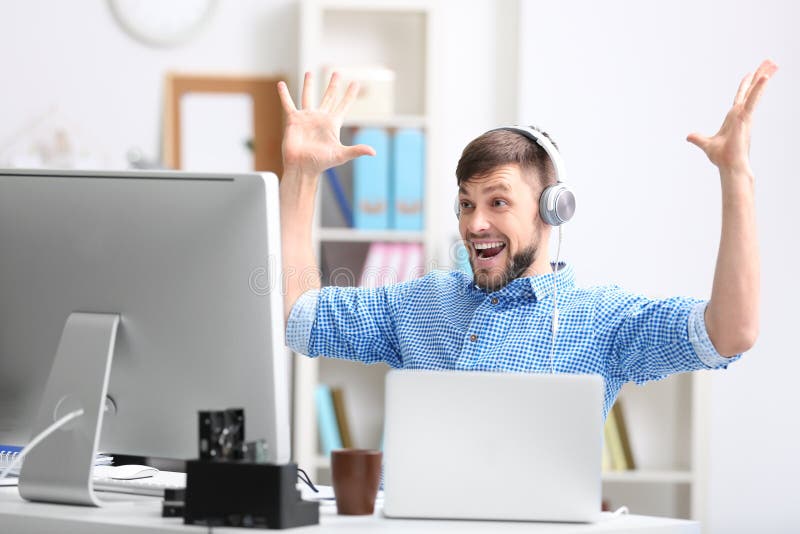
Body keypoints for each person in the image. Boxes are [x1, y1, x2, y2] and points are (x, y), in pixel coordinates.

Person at [277, 61, 777, 415]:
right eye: (466, 204)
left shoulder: (603, 320)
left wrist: (736, 176)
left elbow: (730, 333)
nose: (475, 224)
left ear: (550, 210)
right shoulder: (420, 303)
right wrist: (300, 178)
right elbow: (298, 317)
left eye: (497, 202)